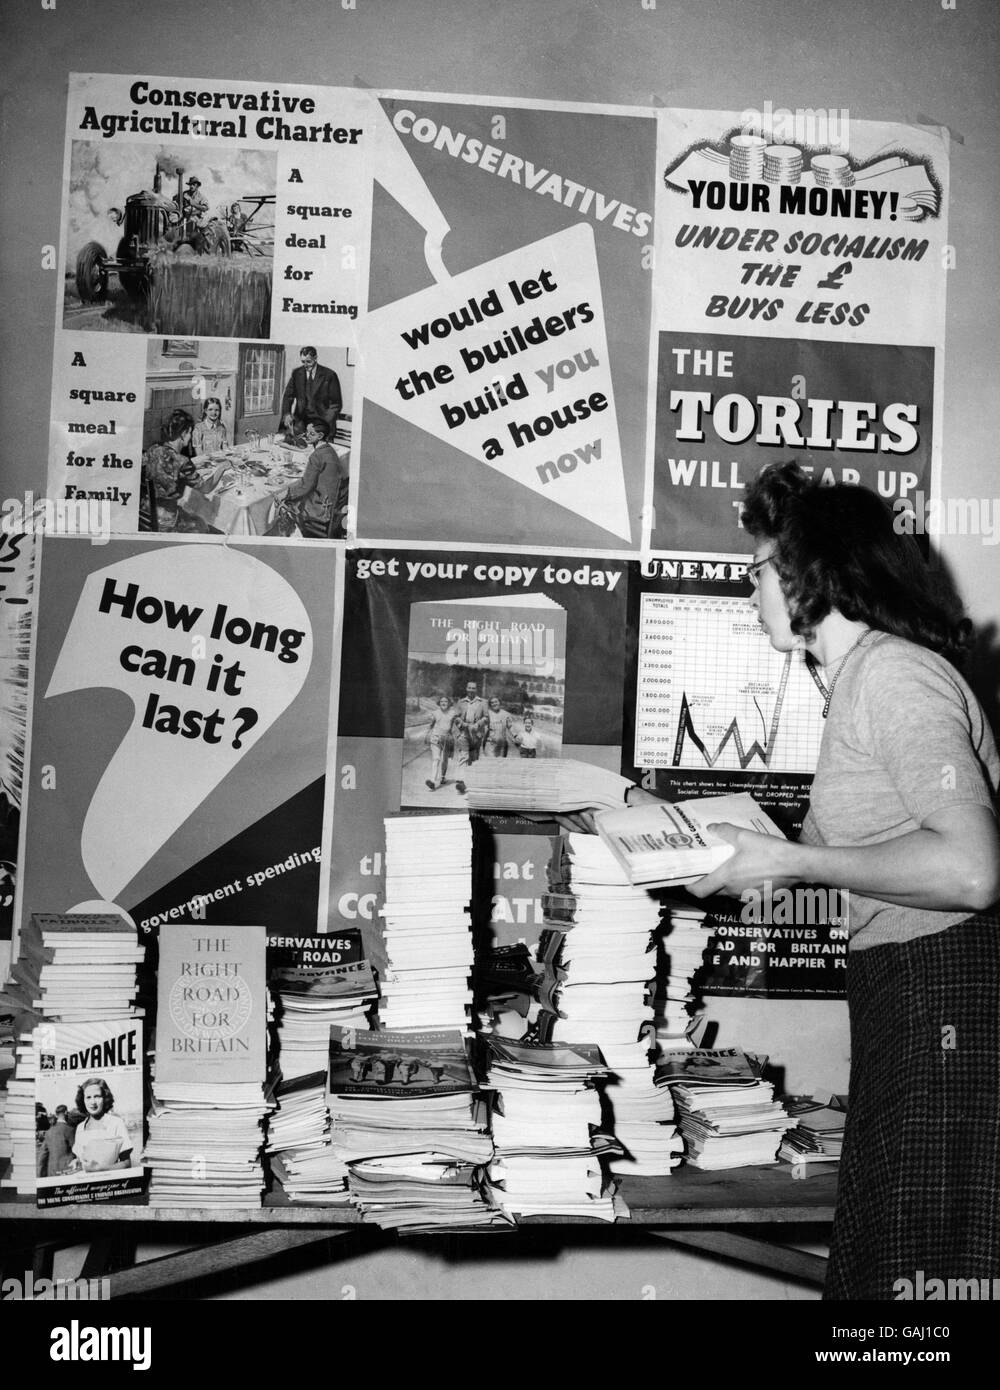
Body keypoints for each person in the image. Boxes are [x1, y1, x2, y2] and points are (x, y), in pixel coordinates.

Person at [681, 461, 1000, 1301]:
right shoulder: (860, 679)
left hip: (946, 999)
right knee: (892, 1270)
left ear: (805, 574)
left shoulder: (893, 675)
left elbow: (971, 871)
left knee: (916, 1278)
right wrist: (696, 841)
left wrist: (786, 858)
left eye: (757, 570)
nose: (752, 593)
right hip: (911, 996)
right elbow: (872, 868)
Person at [283, 418, 348, 538]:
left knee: (282, 505)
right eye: (307, 432)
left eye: (311, 433)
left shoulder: (317, 455)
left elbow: (305, 486)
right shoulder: (328, 449)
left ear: (320, 436)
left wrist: (286, 494)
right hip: (330, 500)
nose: (307, 436)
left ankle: (290, 536)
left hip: (320, 507)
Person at [140, 408, 200, 531]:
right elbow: (206, 488)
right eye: (190, 433)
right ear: (184, 433)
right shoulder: (182, 461)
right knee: (202, 525)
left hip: (145, 514)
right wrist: (221, 468)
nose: (190, 437)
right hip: (167, 522)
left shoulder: (153, 449)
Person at [70, 1077, 133, 1172]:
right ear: (83, 1100)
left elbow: (126, 1163)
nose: (93, 1102)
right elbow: (82, 1159)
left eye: (97, 1096)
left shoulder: (116, 1123)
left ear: (105, 1098)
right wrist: (77, 1162)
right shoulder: (80, 1127)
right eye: (88, 1097)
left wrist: (100, 1169)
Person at [279, 346, 342, 440]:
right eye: (303, 362)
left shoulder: (329, 375)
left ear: (315, 358)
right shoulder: (297, 373)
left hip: (321, 424)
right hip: (301, 423)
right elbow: (288, 396)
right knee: (289, 443)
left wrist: (322, 423)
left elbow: (336, 404)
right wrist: (287, 414)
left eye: (308, 361)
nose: (305, 365)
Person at [424, 694, 458, 791]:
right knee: (436, 759)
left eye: (446, 701)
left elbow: (456, 726)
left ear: (449, 703)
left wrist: (457, 735)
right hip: (435, 738)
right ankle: (433, 781)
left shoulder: (453, 713)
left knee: (444, 759)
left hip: (447, 739)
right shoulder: (435, 713)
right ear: (439, 703)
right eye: (442, 702)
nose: (443, 703)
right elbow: (430, 725)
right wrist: (426, 735)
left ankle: (443, 777)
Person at [454, 682, 488, 771]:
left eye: (473, 688)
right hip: (464, 733)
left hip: (477, 734)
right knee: (464, 756)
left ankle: (470, 778)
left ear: (476, 690)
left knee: (474, 757)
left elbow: (486, 717)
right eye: (469, 688)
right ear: (466, 688)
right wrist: (463, 724)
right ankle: (461, 779)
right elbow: (456, 717)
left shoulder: (483, 702)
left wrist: (478, 724)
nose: (471, 690)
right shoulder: (461, 702)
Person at [37, 1105, 74, 1177]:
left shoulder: (49, 1132)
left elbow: (42, 1155)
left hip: (52, 1171)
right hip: (67, 1172)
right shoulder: (70, 1130)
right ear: (66, 1112)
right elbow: (77, 1151)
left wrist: (41, 1174)